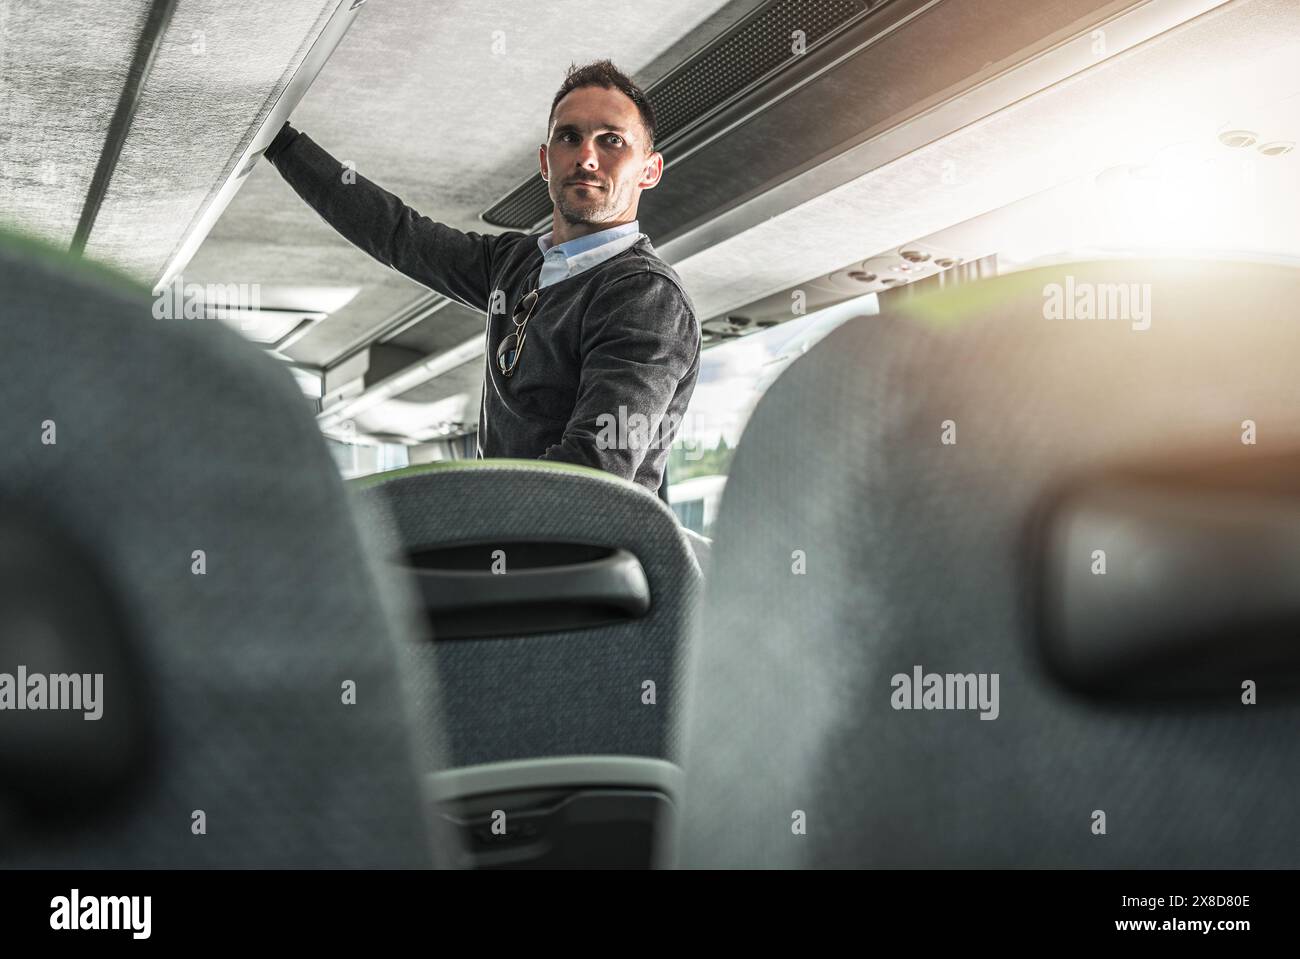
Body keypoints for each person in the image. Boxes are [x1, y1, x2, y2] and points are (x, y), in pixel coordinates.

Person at [264, 59, 700, 492]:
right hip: (507, 543)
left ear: (649, 170)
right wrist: (278, 142)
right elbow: (398, 235)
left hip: (579, 555)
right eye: (570, 137)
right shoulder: (514, 263)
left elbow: (594, 472)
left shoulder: (645, 296)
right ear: (546, 162)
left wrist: (458, 508)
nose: (587, 156)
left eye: (612, 140)